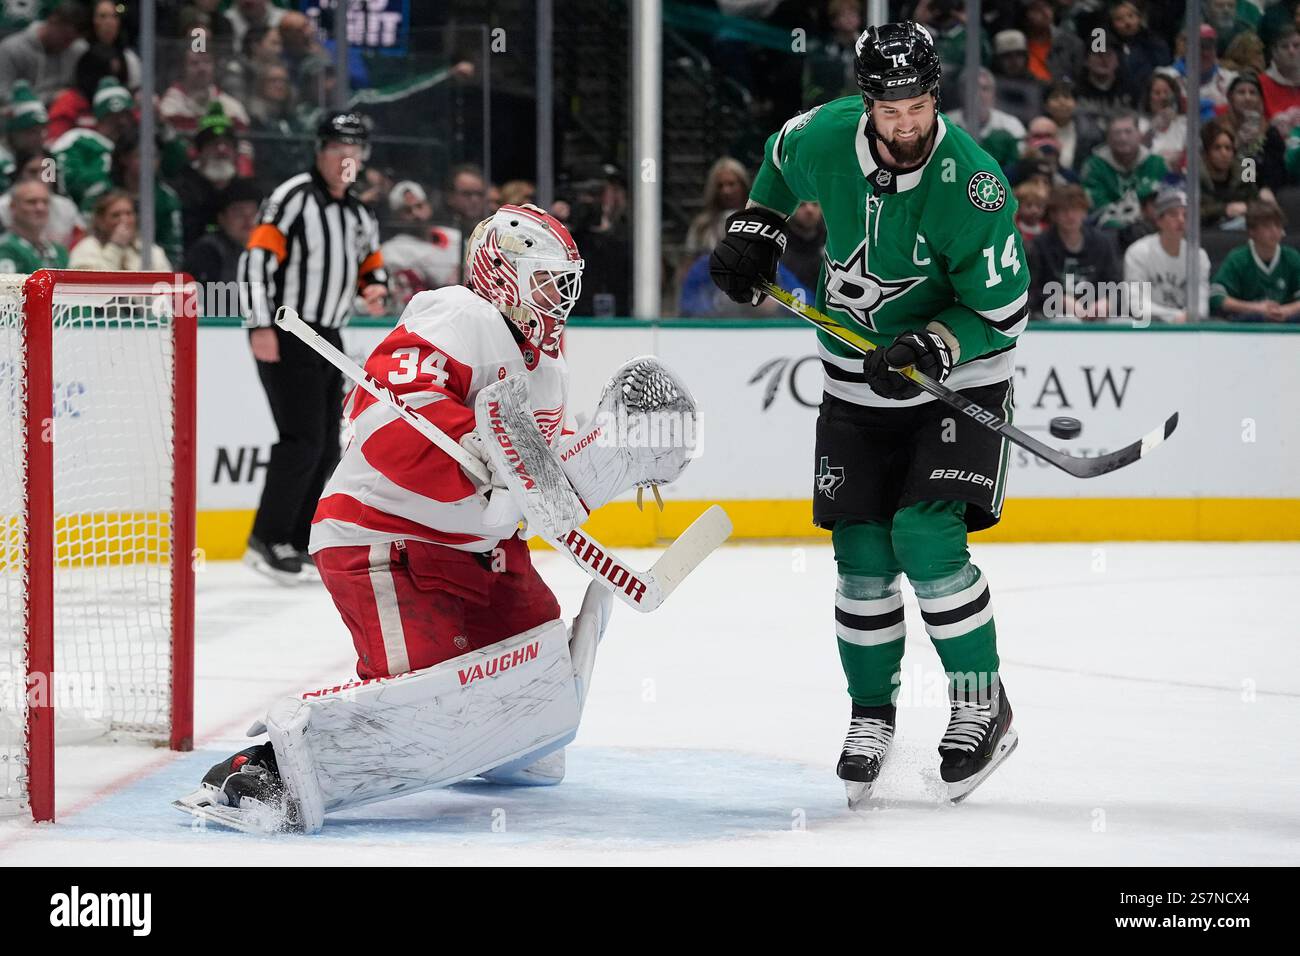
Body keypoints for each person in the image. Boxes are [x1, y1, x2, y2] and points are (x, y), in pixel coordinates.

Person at [177, 206, 686, 833]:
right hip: (386, 543)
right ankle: (264, 765)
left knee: (536, 693)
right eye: (548, 279)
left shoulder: (549, 370)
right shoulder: (457, 316)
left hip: (480, 554)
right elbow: (388, 423)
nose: (562, 296)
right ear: (503, 273)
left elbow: (529, 497)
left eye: (566, 281)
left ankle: (497, 739)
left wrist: (606, 460)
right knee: (433, 700)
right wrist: (477, 446)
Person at [709, 21, 1023, 805]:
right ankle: (872, 713)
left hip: (960, 384)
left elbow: (1008, 309)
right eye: (891, 109)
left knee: (924, 534)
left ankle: (982, 704)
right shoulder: (823, 134)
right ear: (867, 103)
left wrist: (934, 344)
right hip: (853, 386)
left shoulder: (972, 185)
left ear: (934, 98)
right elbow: (779, 163)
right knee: (862, 559)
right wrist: (759, 226)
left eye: (918, 105)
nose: (906, 123)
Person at [236, 111, 389, 582]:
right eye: (338, 149)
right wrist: (260, 324)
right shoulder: (292, 197)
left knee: (326, 446)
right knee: (301, 439)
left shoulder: (360, 213)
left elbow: (371, 264)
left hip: (331, 336)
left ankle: (298, 538)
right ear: (320, 151)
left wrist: (375, 288)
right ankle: (268, 537)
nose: (347, 159)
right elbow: (257, 261)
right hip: (288, 330)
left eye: (356, 151)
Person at [1026, 184, 1123, 321]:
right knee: (1067, 320)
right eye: (1063, 210)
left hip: (1097, 315)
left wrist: (1106, 303)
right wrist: (1061, 300)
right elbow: (1032, 292)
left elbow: (1117, 286)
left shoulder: (1103, 242)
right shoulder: (1039, 246)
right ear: (1053, 214)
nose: (1070, 216)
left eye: (1075, 209)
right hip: (1052, 317)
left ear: (1084, 212)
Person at [1122, 187, 1211, 324]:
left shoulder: (1199, 256)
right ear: (1159, 221)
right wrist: (1174, 316)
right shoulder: (1138, 253)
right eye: (1173, 214)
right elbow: (1136, 304)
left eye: (1186, 215)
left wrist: (1188, 317)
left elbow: (1201, 304)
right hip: (1148, 326)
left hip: (1187, 327)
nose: (1181, 220)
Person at [1211, 200, 1300, 321]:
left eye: (1278, 225)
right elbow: (1216, 297)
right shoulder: (1238, 259)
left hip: (1286, 326)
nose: (1274, 231)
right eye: (1267, 226)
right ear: (1252, 231)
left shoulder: (1292, 257)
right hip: (1248, 326)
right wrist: (1255, 308)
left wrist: (1287, 310)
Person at [1081, 109, 1169, 230]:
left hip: (1151, 230)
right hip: (1108, 232)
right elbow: (1096, 208)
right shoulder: (1093, 166)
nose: (1123, 138)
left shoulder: (1157, 164)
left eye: (1128, 132)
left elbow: (1164, 204)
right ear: (1108, 137)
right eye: (1116, 133)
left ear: (1139, 135)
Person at [0, 3, 89, 103]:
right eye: (66, 38)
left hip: (65, 112)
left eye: (73, 40)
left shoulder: (78, 49)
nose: (67, 45)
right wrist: (49, 98)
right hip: (24, 113)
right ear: (52, 22)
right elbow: (3, 94)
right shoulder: (11, 49)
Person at [67, 189, 172, 271]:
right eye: (116, 215)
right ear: (101, 220)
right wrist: (115, 247)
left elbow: (165, 288)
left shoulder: (150, 251)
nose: (124, 220)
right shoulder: (86, 249)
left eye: (129, 213)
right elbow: (95, 289)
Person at [185, 177, 260, 285]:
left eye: (253, 213)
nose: (248, 221)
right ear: (222, 219)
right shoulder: (207, 251)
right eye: (238, 213)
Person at [0, 179, 69, 272]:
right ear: (13, 207)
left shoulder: (60, 252)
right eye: (31, 202)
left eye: (45, 202)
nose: (40, 208)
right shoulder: (4, 248)